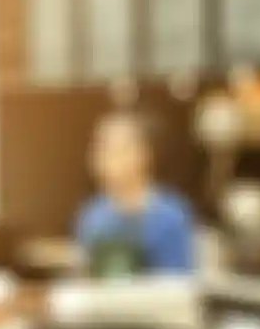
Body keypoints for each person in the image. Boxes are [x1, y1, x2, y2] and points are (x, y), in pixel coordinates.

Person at [76, 111, 196, 277]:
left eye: (116, 149)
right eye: (99, 148)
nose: (104, 157)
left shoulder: (170, 215)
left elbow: (179, 283)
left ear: (143, 155)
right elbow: (88, 277)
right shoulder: (93, 216)